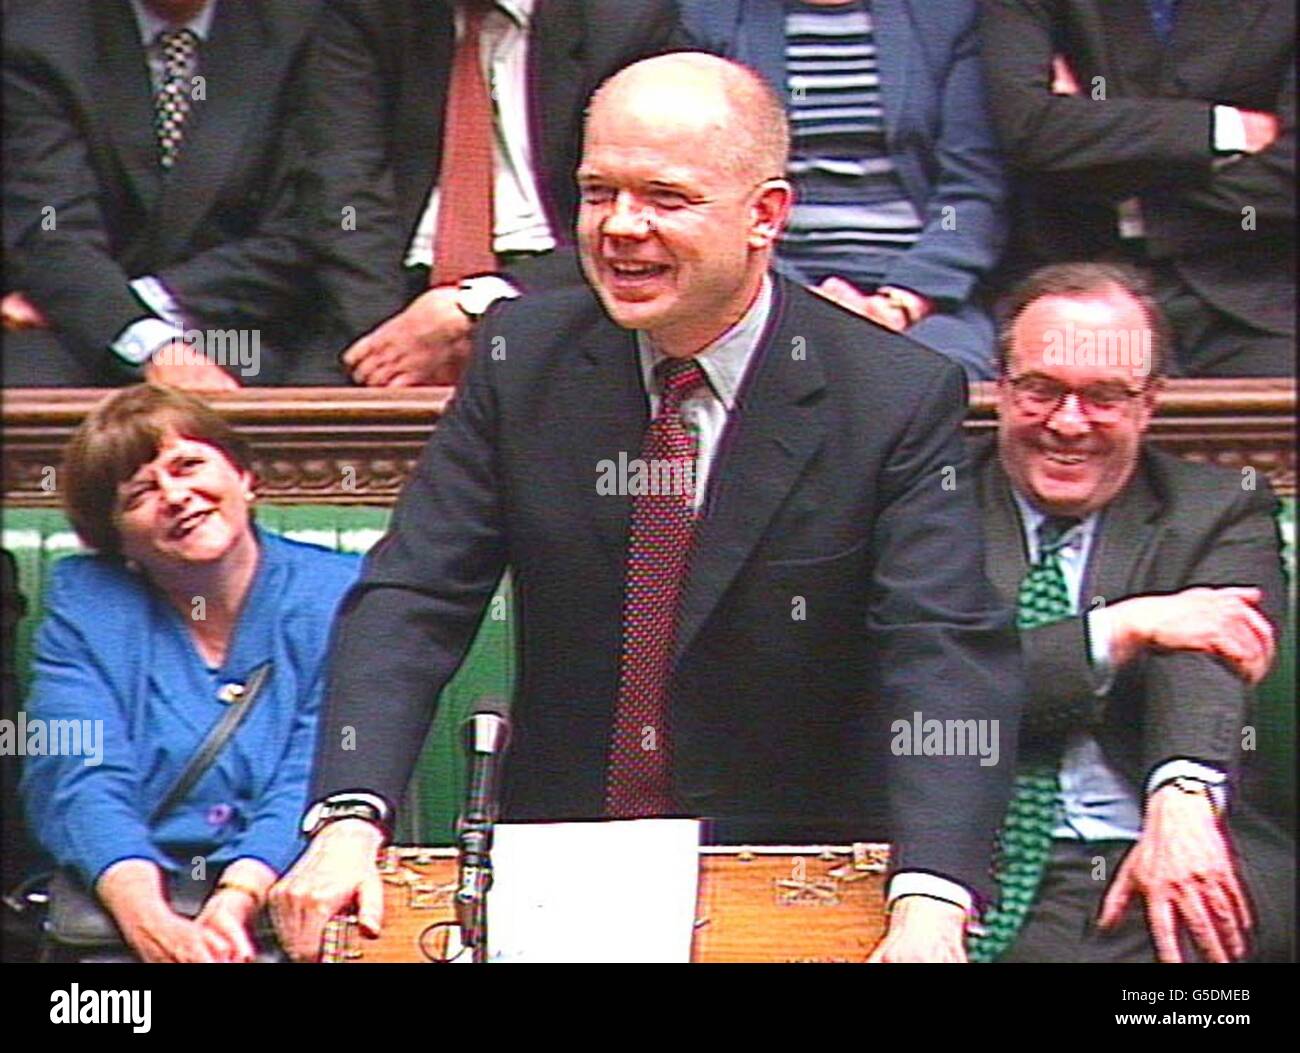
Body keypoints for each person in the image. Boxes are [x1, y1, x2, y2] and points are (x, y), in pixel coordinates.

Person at [271, 52, 1024, 963]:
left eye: (664, 198)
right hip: (567, 871)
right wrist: (352, 816)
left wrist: (932, 899)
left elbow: (940, 649)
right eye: (598, 193)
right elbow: (413, 596)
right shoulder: (522, 358)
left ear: (766, 215)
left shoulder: (892, 394)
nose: (621, 228)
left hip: (798, 874)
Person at [968, 262, 1294, 963]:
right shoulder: (928, 506)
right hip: (962, 856)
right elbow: (934, 690)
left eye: (1105, 396)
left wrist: (1181, 795)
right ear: (1000, 387)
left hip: (1157, 852)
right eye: (1042, 389)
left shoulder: (1216, 508)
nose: (1068, 422)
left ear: (1150, 403)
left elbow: (1213, 657)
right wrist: (1120, 629)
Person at [20, 385, 360, 962]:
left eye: (189, 465)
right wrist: (149, 921)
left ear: (245, 478)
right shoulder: (88, 606)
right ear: (117, 537)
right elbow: (80, 773)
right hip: (123, 919)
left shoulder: (337, 595)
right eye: (141, 493)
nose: (176, 496)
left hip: (298, 902)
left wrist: (238, 897)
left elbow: (319, 770)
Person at [301, 0, 686, 386]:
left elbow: (636, 216)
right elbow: (346, 194)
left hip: (557, 289)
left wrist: (476, 304)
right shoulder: (371, 13)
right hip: (387, 293)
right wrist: (392, 338)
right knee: (283, 422)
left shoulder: (623, 21)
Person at [2, 0, 326, 388]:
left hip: (237, 326)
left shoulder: (303, 29)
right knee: (28, 381)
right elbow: (51, 221)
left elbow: (304, 226)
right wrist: (139, 336)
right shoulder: (40, 39)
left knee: (274, 380)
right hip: (79, 329)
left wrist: (142, 307)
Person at [681, 0, 1007, 380]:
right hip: (764, 278)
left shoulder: (945, 17)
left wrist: (901, 302)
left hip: (919, 291)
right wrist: (798, 298)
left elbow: (969, 190)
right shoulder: (711, 17)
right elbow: (707, 182)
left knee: (943, 376)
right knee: (779, 372)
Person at [980, 0, 1294, 377]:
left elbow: (1288, 176)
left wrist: (1112, 178)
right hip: (1071, 274)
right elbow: (1031, 131)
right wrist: (1222, 128)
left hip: (1252, 292)